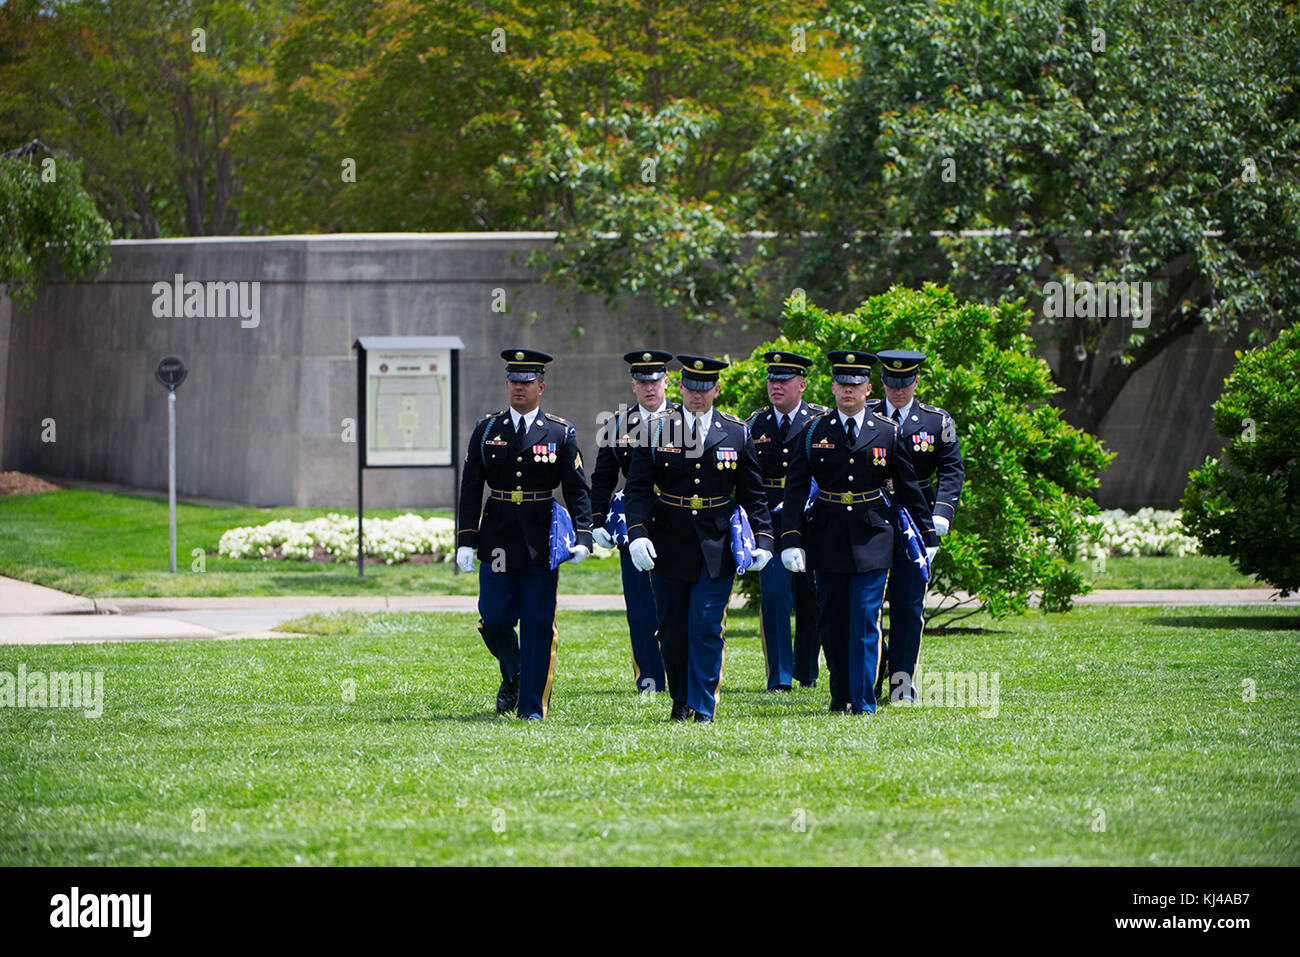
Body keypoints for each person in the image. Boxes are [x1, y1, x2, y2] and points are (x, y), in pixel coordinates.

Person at [779, 350, 936, 715]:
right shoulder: (814, 430)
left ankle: (863, 701)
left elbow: (909, 488)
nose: (848, 391)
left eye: (855, 385)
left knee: (866, 618)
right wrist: (790, 540)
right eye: (841, 384)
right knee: (832, 621)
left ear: (868, 388)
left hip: (873, 534)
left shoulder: (887, 430)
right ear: (833, 387)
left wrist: (928, 537)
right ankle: (841, 695)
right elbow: (796, 490)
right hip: (827, 533)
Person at [623, 354, 774, 722]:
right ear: (680, 387)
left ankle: (703, 706)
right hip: (669, 540)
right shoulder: (657, 429)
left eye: (705, 388)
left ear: (716, 390)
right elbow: (638, 489)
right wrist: (637, 533)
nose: (697, 395)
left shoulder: (737, 431)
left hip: (716, 543)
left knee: (706, 626)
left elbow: (753, 493)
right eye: (691, 387)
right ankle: (681, 699)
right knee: (672, 630)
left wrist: (765, 539)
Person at [455, 349, 593, 721]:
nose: (520, 387)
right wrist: (465, 541)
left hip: (541, 538)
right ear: (507, 384)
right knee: (494, 618)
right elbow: (470, 488)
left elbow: (577, 488)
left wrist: (584, 534)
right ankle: (515, 670)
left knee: (537, 622)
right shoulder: (486, 431)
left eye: (527, 381)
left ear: (541, 386)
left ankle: (532, 707)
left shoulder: (560, 432)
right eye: (514, 381)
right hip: (498, 535)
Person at [869, 349, 964, 703]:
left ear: (916, 382)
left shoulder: (937, 421)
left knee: (908, 605)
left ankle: (901, 684)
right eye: (892, 383)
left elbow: (952, 468)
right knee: (868, 604)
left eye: (904, 383)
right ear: (882, 383)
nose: (898, 390)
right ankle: (874, 674)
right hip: (874, 514)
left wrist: (942, 511)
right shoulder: (868, 415)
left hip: (917, 517)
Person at [589, 349, 674, 694]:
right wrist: (596, 520)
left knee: (675, 601)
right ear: (633, 385)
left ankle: (681, 672)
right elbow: (603, 478)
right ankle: (649, 680)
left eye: (655, 380)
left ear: (666, 382)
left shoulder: (686, 420)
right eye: (642, 381)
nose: (650, 387)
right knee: (640, 606)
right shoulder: (617, 426)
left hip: (678, 519)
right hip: (635, 520)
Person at [745, 351, 828, 692]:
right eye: (771, 380)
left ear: (802, 384)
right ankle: (779, 676)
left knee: (811, 597)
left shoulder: (820, 420)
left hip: (810, 521)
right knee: (775, 596)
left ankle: (806, 669)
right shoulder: (755, 423)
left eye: (784, 380)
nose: (775, 387)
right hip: (770, 523)